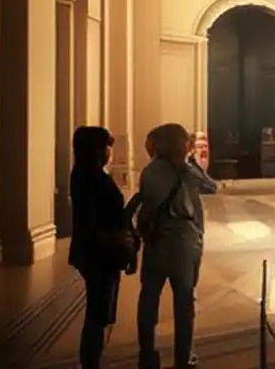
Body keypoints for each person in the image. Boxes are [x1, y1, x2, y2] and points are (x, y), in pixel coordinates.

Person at [135, 123, 217, 369]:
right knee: (184, 300)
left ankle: (147, 354)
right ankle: (183, 357)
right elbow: (211, 186)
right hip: (183, 240)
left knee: (149, 297)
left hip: (156, 239)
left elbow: (147, 208)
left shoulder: (149, 171)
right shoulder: (186, 170)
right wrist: (192, 162)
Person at [69, 126, 133, 369]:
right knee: (98, 312)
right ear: (96, 149)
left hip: (97, 252)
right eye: (107, 147)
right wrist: (118, 239)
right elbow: (91, 221)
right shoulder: (90, 177)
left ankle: (92, 359)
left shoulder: (87, 174)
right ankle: (90, 362)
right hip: (99, 254)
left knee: (100, 310)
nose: (110, 152)